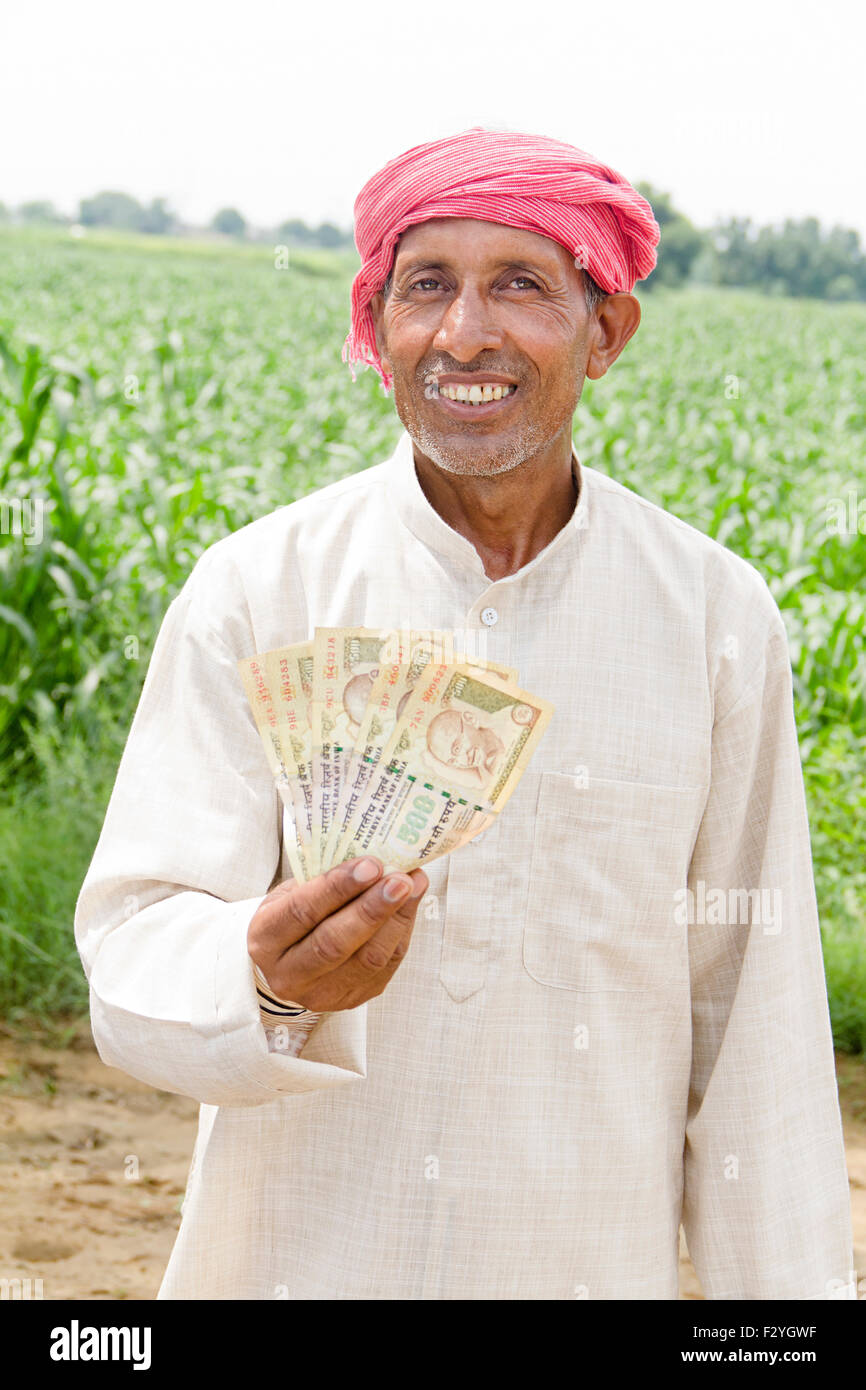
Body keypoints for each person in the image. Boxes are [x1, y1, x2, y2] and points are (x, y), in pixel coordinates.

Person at [75, 127, 854, 1300]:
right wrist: (270, 977)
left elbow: (756, 1020)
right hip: (296, 1267)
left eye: (520, 286)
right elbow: (132, 952)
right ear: (374, 328)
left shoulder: (712, 618)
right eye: (425, 285)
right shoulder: (259, 589)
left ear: (606, 333)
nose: (463, 334)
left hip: (580, 1267)